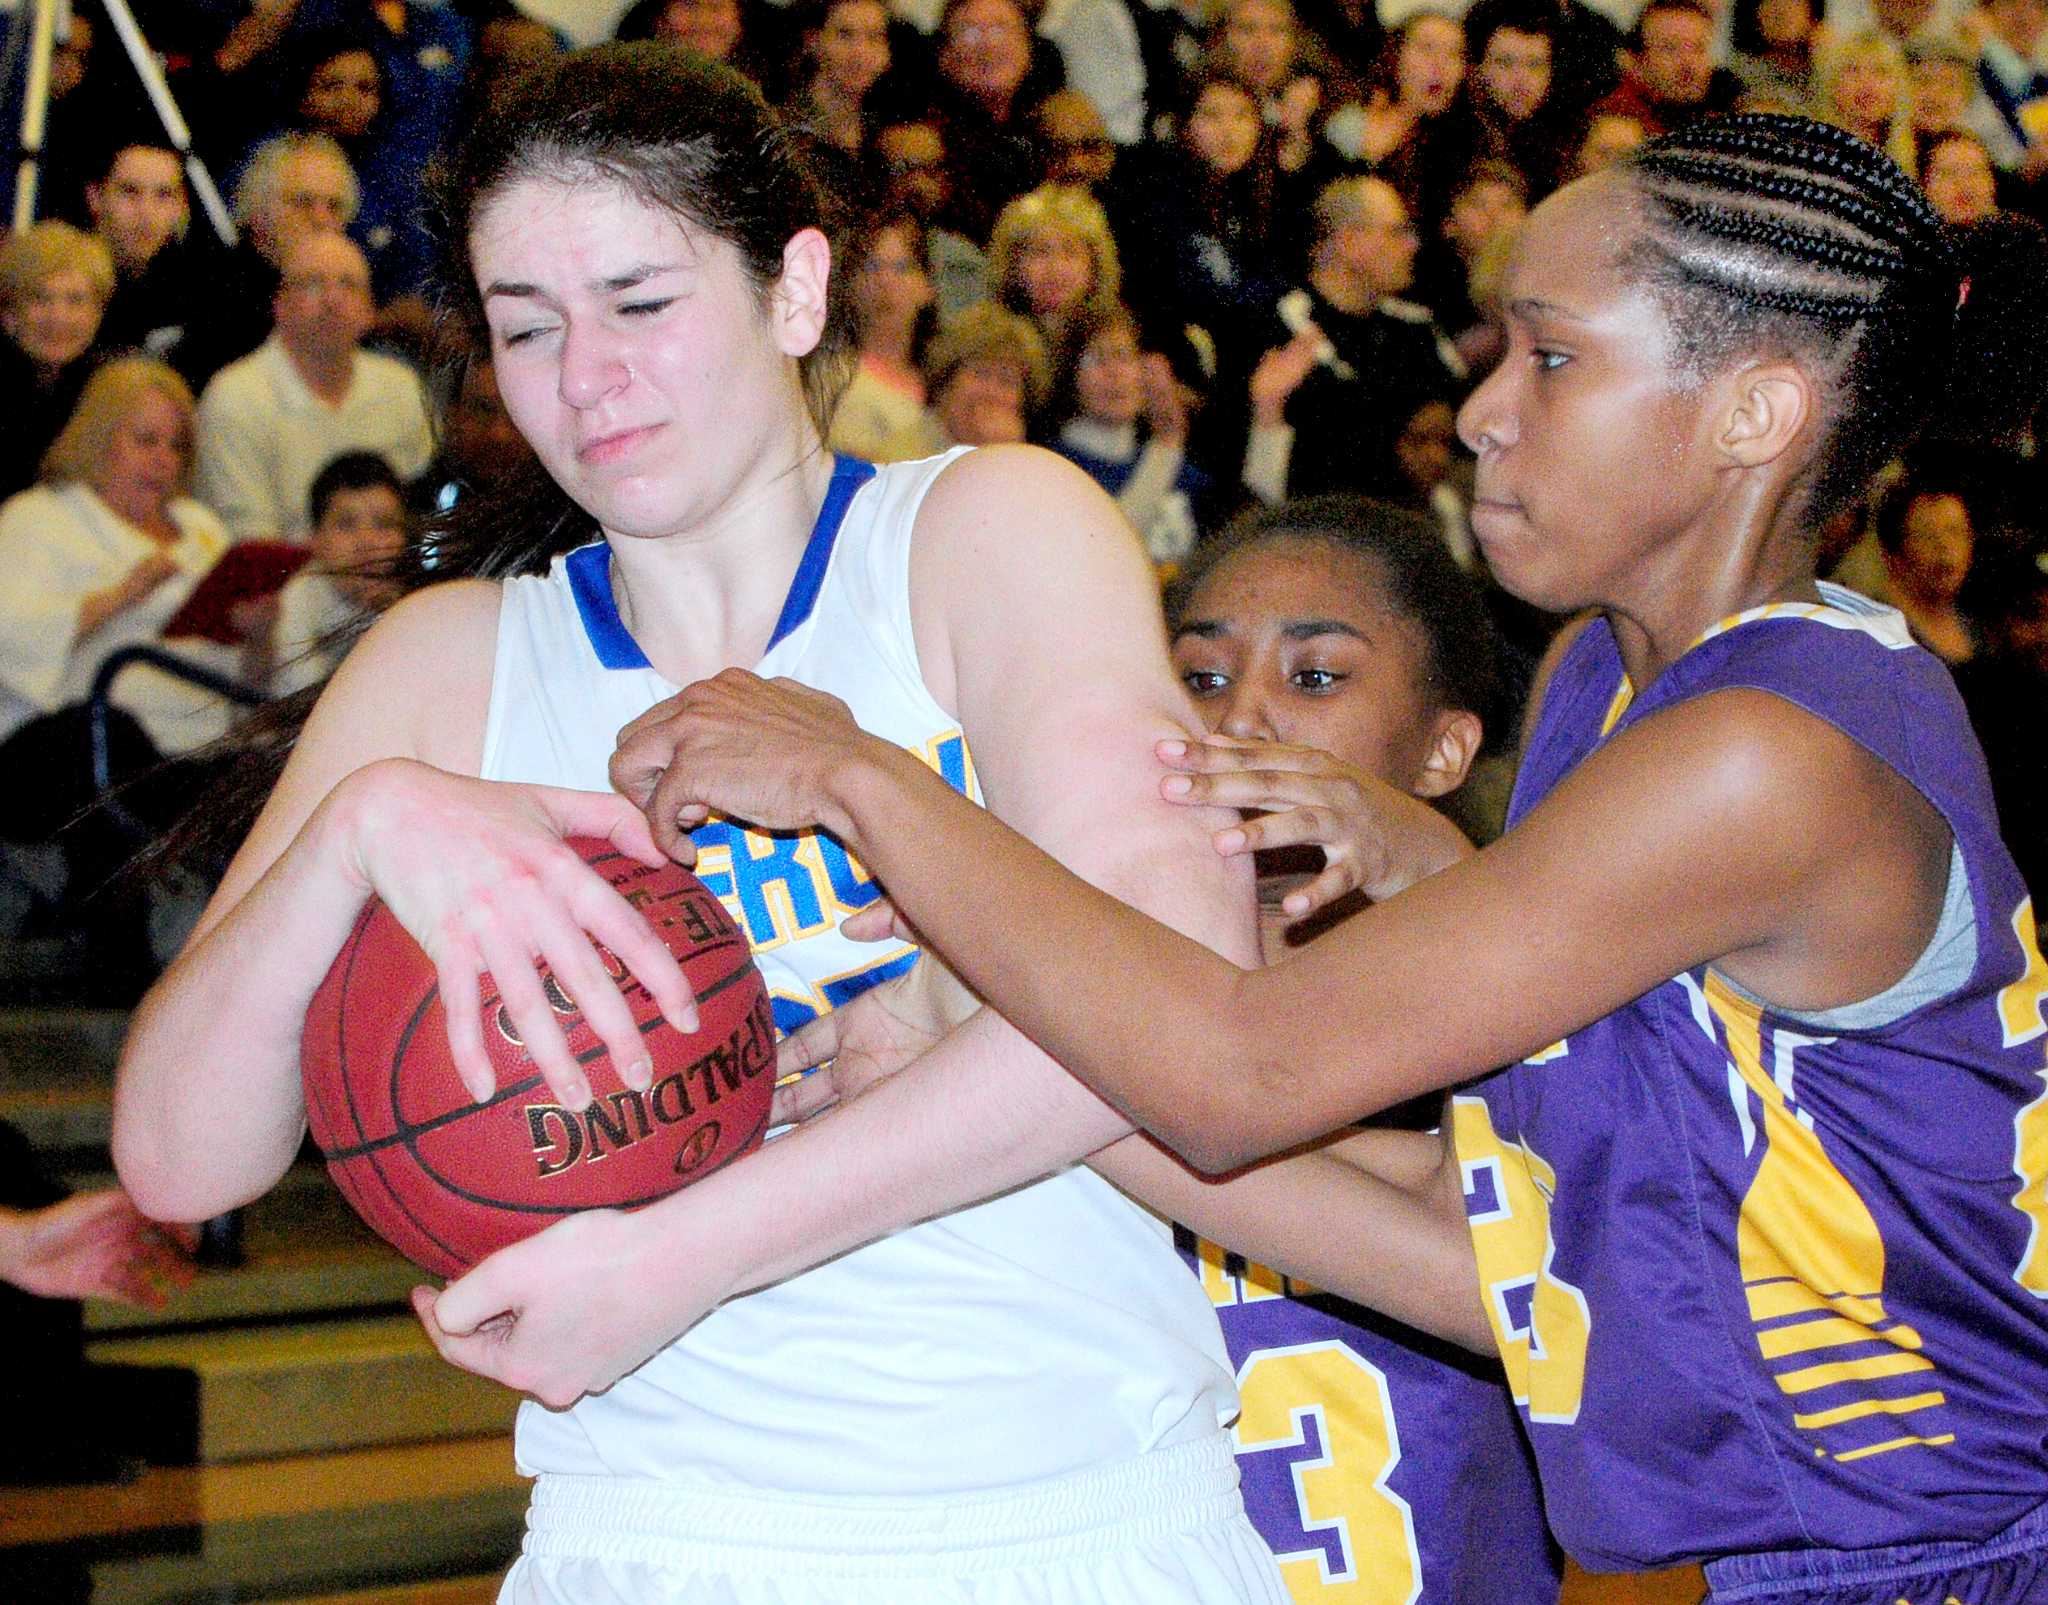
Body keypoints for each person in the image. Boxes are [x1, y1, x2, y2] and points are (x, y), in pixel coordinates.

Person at [626, 115, 2048, 1600]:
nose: (1487, 409)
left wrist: (863, 781)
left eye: (1550, 358)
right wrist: (972, 1066)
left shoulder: (1762, 754)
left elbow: (1241, 1081)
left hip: (1966, 1552)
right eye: (1497, 347)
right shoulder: (1603, 681)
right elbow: (1483, 1232)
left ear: (1754, 412)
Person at [112, 43, 1289, 1605]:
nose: (582, 374)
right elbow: (181, 1161)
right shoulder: (456, 658)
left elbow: (1178, 979)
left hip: (1070, 1500)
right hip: (658, 1533)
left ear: (796, 293)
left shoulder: (985, 532)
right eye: (526, 329)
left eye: (640, 303)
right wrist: (360, 833)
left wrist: (681, 1253)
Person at [1152, 501, 1558, 1600]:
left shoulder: (1534, 1012)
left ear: (1442, 749)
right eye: (1197, 676)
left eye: (1314, 679)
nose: (1240, 721)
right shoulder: (1069, 969)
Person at [194, 231, 434, 545]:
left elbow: (418, 516)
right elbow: (251, 544)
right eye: (313, 283)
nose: (333, 300)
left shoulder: (401, 387)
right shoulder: (236, 396)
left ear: (369, 311)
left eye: (349, 285)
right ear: (280, 305)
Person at [269, 450, 411, 695]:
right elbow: (306, 701)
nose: (367, 542)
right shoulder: (296, 604)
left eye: (384, 524)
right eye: (346, 525)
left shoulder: (413, 602)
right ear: (314, 538)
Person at [1, 223, 114, 501]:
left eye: (76, 300)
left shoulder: (110, 387)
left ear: (97, 313)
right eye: (40, 299)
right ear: (9, 313)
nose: (58, 317)